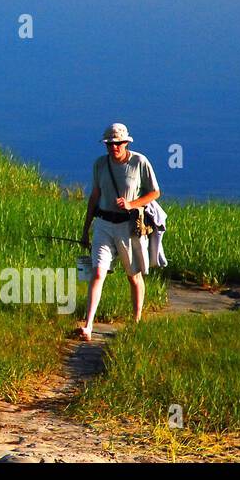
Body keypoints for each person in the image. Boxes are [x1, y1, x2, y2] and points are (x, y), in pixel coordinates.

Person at [77, 123, 160, 342]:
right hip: (103, 223)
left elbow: (154, 193)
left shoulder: (139, 162)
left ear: (126, 143)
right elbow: (94, 196)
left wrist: (132, 204)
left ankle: (136, 321)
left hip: (127, 226)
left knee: (133, 277)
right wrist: (86, 229)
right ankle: (88, 325)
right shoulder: (100, 164)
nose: (114, 147)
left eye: (118, 143)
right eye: (110, 144)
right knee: (97, 273)